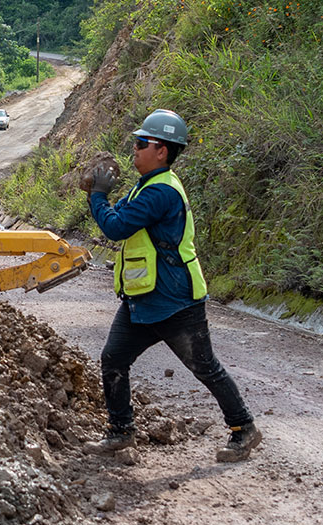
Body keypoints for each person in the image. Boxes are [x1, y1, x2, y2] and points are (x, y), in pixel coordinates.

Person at [85, 109, 261, 462]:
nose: (134, 148)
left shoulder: (161, 192)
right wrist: (102, 197)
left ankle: (244, 429)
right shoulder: (147, 186)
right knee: (113, 359)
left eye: (141, 143)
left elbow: (116, 227)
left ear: (161, 150)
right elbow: (122, 218)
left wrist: (98, 196)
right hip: (143, 298)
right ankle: (120, 431)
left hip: (176, 301)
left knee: (205, 367)